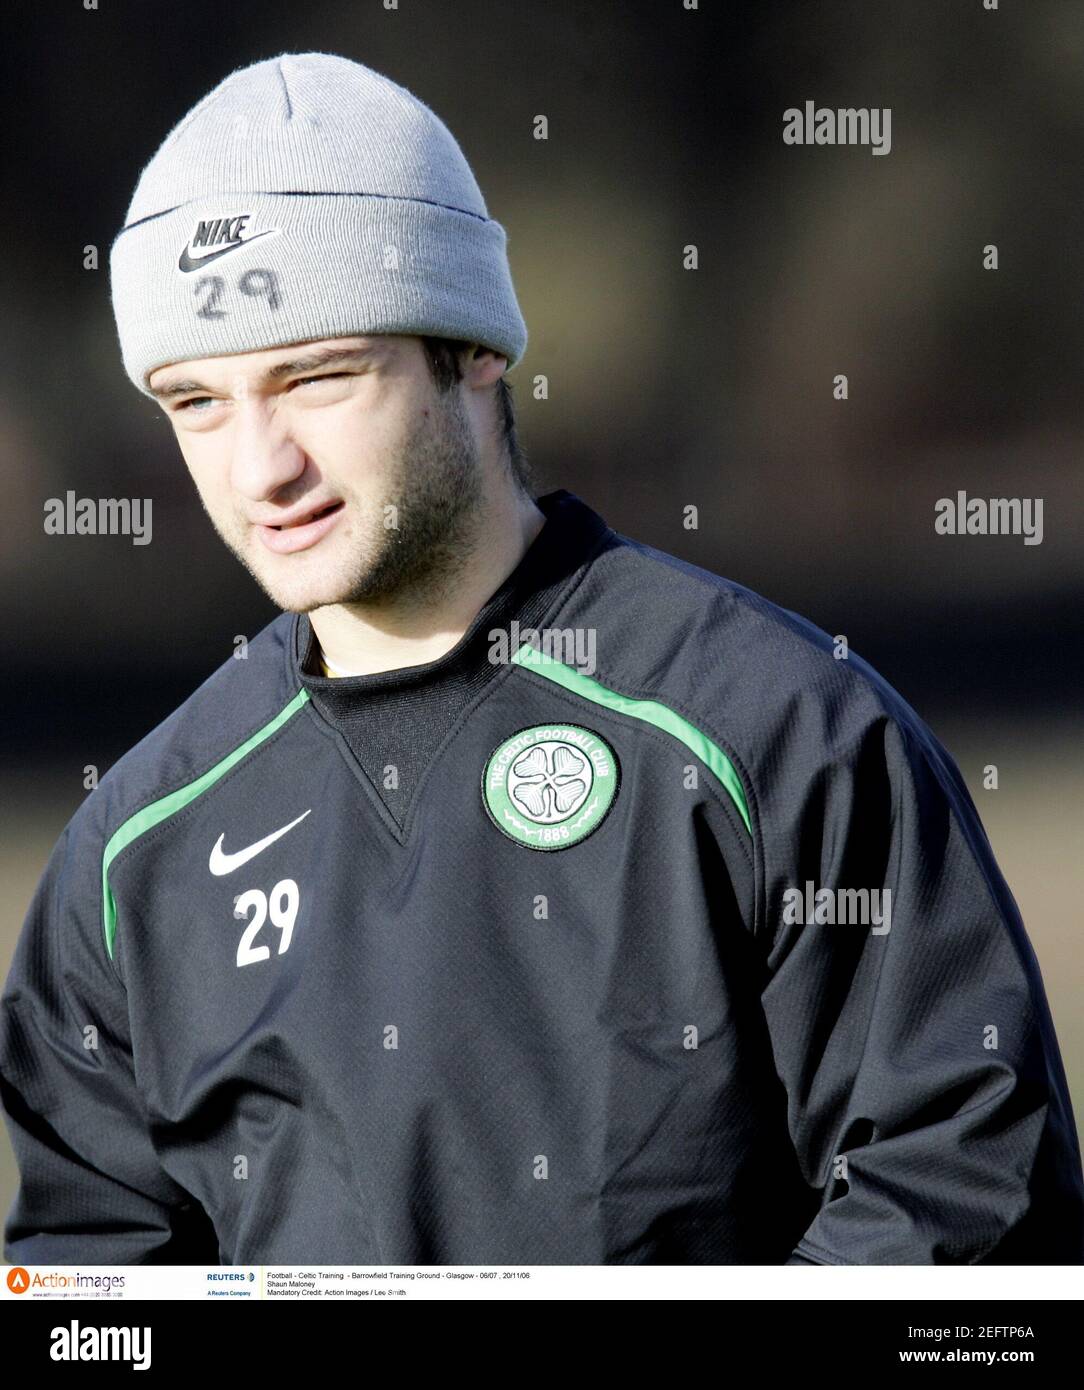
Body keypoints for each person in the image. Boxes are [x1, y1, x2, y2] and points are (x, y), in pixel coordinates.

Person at [2, 50, 1081, 1267]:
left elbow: (964, 1201)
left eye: (317, 377)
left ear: (474, 351)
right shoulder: (133, 851)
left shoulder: (775, 735)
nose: (260, 468)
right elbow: (90, 1288)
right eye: (197, 401)